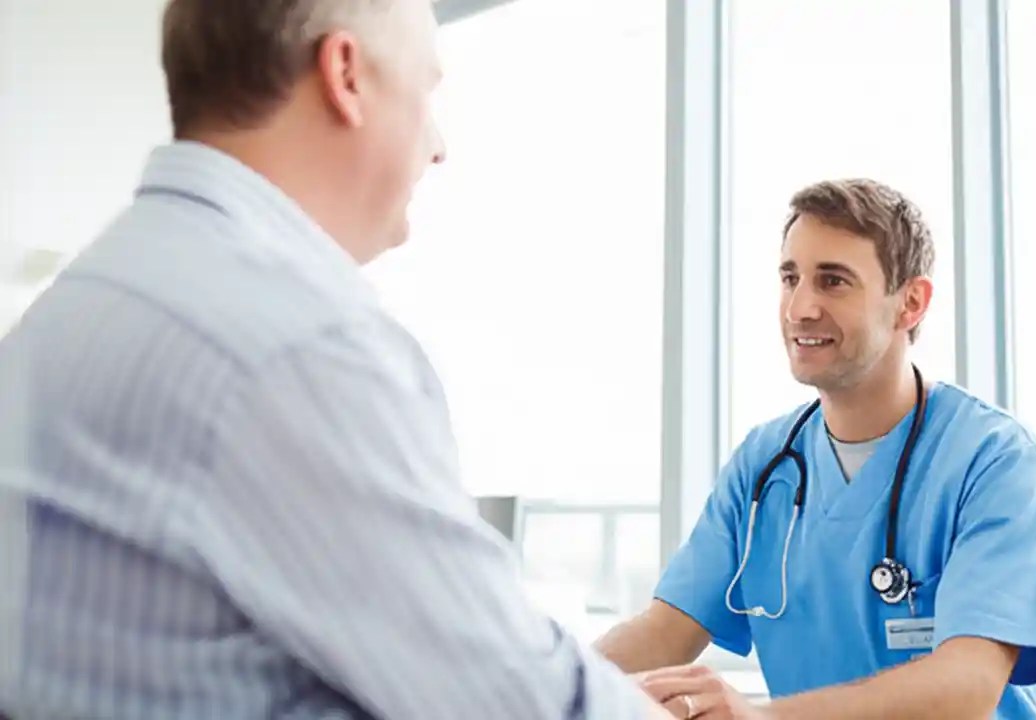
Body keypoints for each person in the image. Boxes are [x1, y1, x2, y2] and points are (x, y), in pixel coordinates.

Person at [0, 1, 668, 718]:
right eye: (427, 89)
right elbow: (525, 706)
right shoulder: (295, 344)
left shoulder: (78, 303)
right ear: (345, 74)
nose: (437, 144)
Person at [595, 179, 1036, 719]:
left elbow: (969, 686)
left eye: (833, 281)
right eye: (790, 277)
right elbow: (665, 629)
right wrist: (543, 682)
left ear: (910, 303)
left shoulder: (996, 461)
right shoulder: (765, 462)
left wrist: (760, 718)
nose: (799, 308)